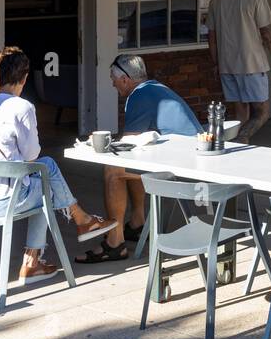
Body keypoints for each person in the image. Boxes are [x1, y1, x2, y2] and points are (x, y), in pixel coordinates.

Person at [0, 47, 114, 283]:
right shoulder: (22, 107)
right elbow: (32, 155)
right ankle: (75, 224)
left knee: (44, 180)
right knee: (46, 174)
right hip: (1, 203)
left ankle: (45, 253)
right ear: (25, 78)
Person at [80, 54, 203, 263]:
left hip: (184, 165)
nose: (112, 83)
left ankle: (114, 242)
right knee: (131, 165)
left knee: (113, 170)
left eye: (113, 78)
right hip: (191, 156)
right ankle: (137, 223)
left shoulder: (138, 96)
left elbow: (129, 142)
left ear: (125, 80)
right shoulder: (154, 88)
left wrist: (95, 144)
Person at [206, 0, 271, 140]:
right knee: (263, 112)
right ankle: (241, 139)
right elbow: (266, 32)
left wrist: (216, 63)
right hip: (252, 64)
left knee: (241, 112)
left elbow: (211, 37)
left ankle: (239, 147)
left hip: (228, 65)